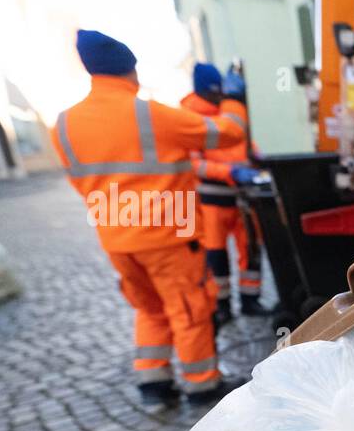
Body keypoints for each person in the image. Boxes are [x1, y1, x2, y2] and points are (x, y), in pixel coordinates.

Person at [51, 30, 247, 408]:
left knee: (149, 308)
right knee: (188, 306)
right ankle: (202, 383)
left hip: (115, 238)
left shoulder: (63, 125)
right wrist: (235, 100)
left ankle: (153, 380)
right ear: (130, 69)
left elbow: (80, 183)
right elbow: (228, 133)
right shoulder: (149, 114)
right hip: (169, 234)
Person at [179, 64, 264, 328]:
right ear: (205, 92)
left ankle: (251, 301)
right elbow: (192, 165)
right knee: (216, 256)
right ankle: (222, 306)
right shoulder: (187, 118)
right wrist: (230, 172)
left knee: (250, 249)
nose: (220, 98)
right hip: (211, 201)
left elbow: (244, 142)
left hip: (243, 198)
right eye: (216, 93)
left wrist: (256, 160)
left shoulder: (229, 112)